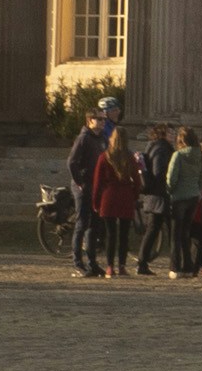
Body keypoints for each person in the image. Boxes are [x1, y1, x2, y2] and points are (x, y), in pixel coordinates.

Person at [89, 121, 142, 278]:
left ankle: (110, 266)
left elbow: (97, 182)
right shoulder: (130, 158)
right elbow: (137, 181)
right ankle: (122, 266)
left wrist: (95, 202)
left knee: (111, 234)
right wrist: (134, 195)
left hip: (109, 196)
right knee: (124, 235)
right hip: (125, 195)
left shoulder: (104, 157)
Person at [65, 105, 110, 278]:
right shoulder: (83, 138)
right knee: (82, 224)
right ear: (90, 120)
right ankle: (78, 263)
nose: (102, 122)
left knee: (95, 225)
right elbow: (72, 162)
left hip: (97, 186)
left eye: (104, 119)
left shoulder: (101, 139)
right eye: (99, 119)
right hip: (83, 187)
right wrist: (80, 182)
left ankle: (92, 262)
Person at [167, 131, 202, 279]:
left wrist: (170, 190)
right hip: (194, 197)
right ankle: (188, 267)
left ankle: (175, 267)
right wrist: (196, 190)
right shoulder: (199, 157)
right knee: (186, 233)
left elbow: (171, 177)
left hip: (179, 197)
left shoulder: (178, 155)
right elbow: (201, 179)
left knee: (176, 234)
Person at [135, 122, 176, 277]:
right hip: (161, 195)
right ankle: (174, 264)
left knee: (153, 230)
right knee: (169, 230)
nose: (173, 135)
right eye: (170, 132)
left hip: (156, 196)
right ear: (161, 134)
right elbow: (159, 172)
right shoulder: (161, 148)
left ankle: (142, 263)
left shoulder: (156, 147)